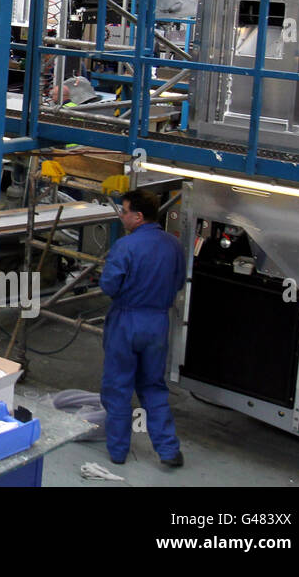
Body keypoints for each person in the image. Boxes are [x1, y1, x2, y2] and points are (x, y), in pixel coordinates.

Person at [99, 189, 187, 468]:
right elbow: (179, 282)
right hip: (158, 323)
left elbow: (108, 285)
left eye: (124, 212)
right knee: (153, 386)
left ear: (137, 216)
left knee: (118, 388)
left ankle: (117, 452)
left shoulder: (126, 247)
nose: (122, 216)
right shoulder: (173, 246)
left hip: (127, 321)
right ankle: (168, 450)